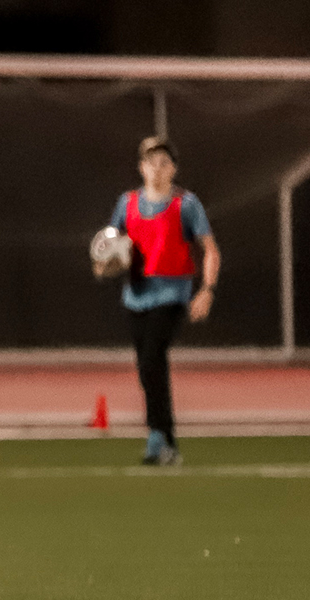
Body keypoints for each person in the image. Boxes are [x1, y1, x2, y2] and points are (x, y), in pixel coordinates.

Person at [99, 136, 220, 465]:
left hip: (172, 293)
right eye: (151, 162)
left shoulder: (186, 204)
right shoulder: (127, 203)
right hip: (136, 295)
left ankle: (157, 435)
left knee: (152, 359)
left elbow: (210, 249)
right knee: (146, 367)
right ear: (141, 167)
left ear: (174, 169)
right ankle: (166, 441)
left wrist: (207, 289)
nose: (157, 168)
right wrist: (104, 263)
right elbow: (110, 245)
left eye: (164, 162)